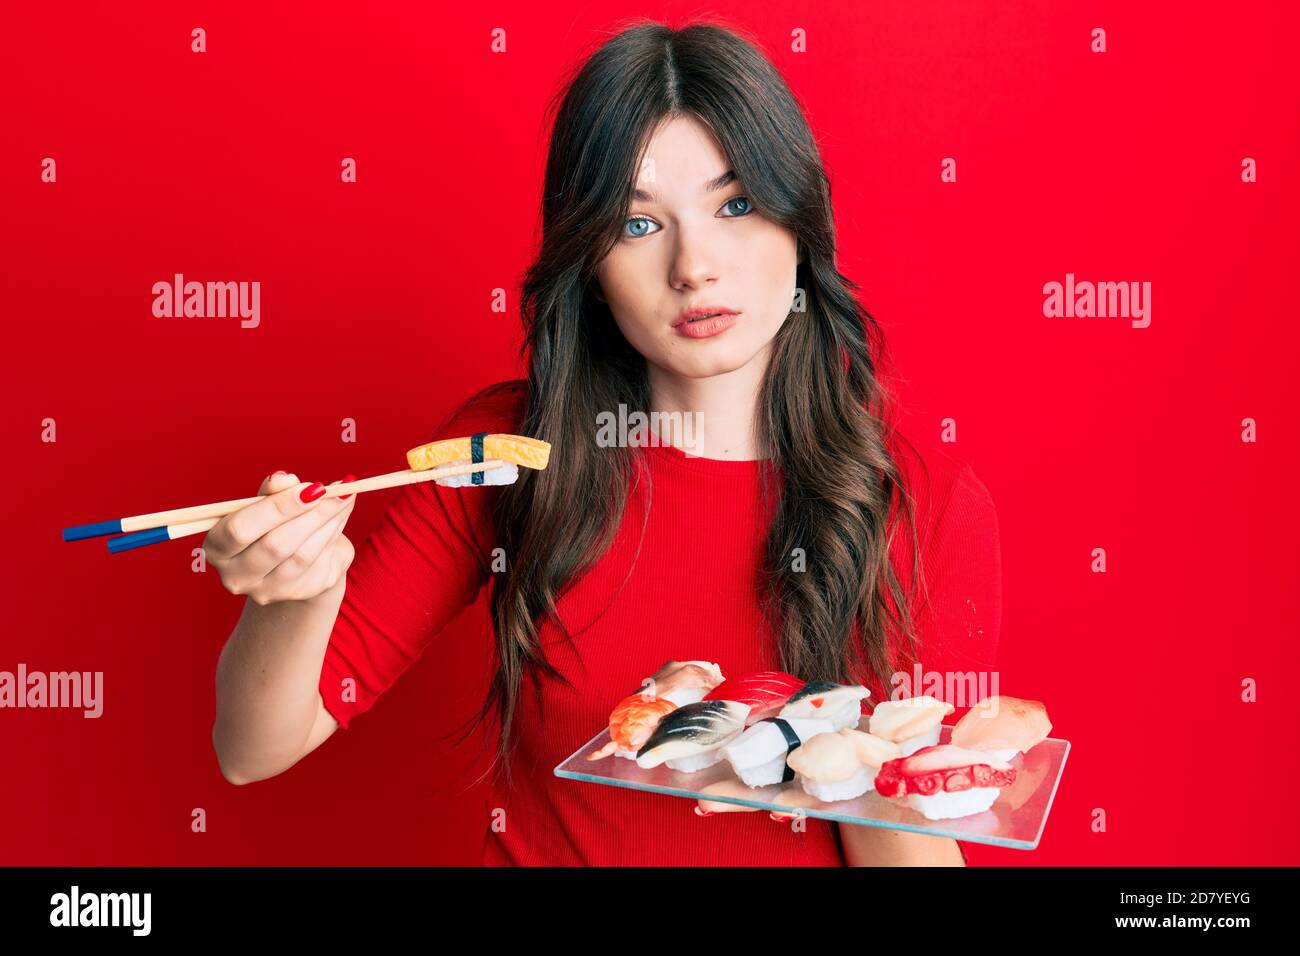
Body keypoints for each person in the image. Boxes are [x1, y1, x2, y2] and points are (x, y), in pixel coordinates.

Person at [209, 19, 1001, 866]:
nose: (693, 265)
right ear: (588, 261)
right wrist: (293, 596)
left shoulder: (921, 503)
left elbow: (900, 847)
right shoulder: (509, 450)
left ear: (800, 222)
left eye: (735, 205)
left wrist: (868, 747)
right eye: (636, 225)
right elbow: (254, 748)